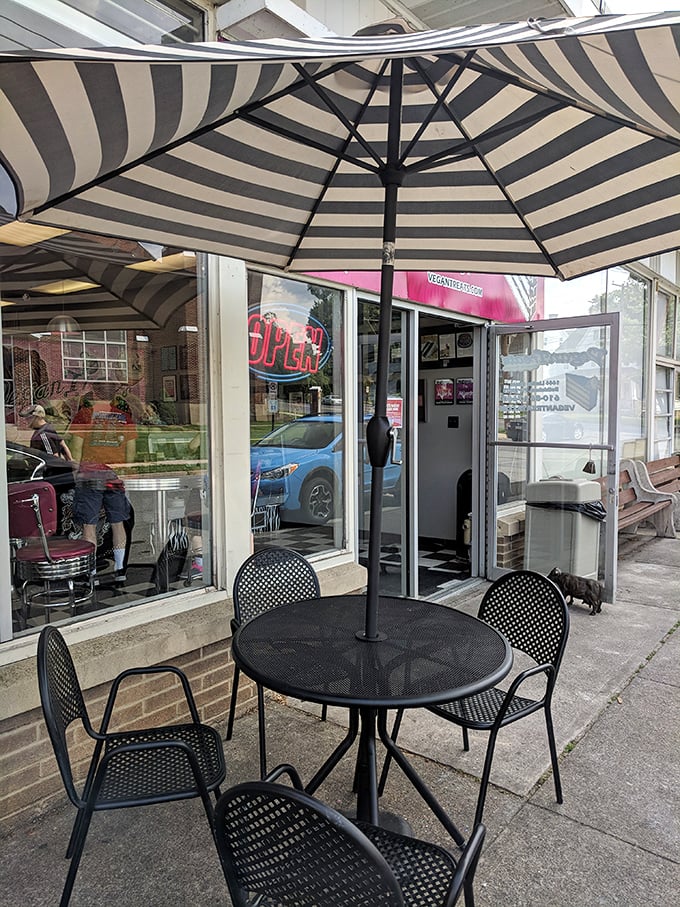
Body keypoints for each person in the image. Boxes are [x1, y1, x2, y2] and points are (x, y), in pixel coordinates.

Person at [68, 396, 137, 586]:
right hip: (114, 474)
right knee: (118, 523)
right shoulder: (124, 416)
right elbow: (131, 450)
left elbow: (76, 448)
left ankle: (91, 573)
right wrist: (124, 472)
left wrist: (75, 474)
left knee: (89, 526)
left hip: (90, 474)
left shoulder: (85, 415)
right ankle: (120, 570)